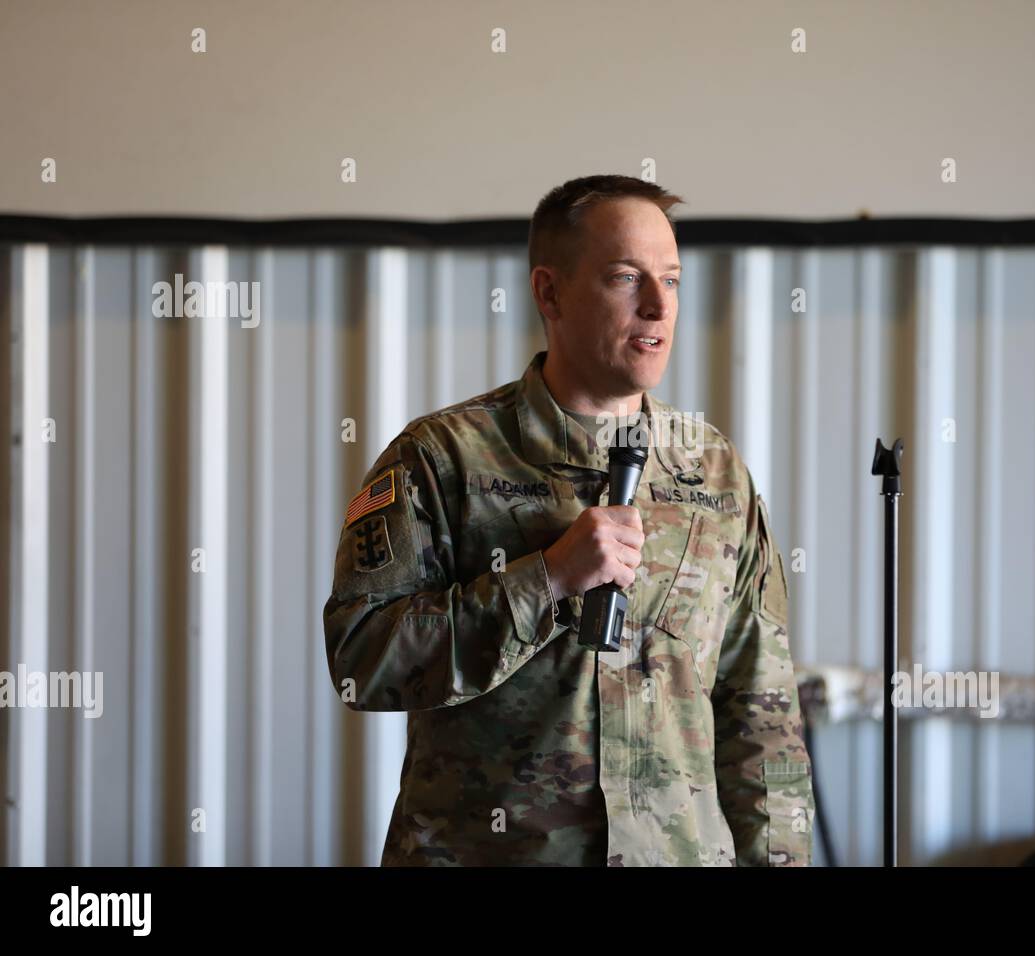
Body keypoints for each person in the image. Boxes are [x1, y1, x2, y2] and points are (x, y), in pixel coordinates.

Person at [323, 174, 815, 866]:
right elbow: (362, 661)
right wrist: (547, 580)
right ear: (549, 293)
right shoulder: (441, 459)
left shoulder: (714, 471)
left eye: (671, 281)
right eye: (625, 278)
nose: (656, 307)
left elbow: (759, 708)